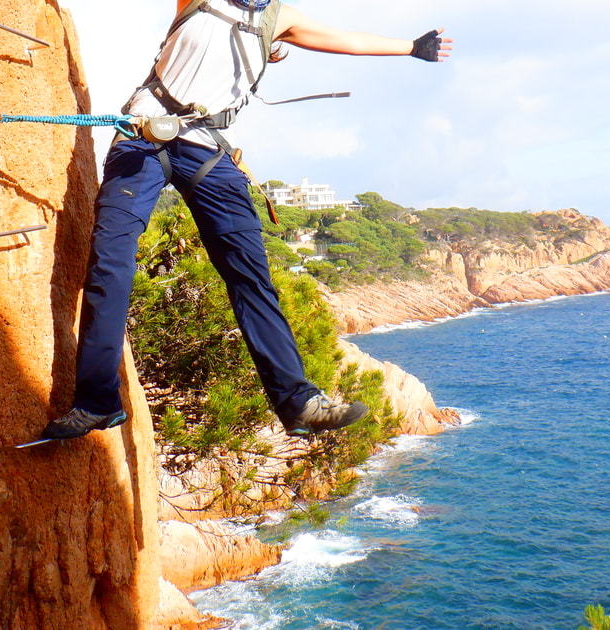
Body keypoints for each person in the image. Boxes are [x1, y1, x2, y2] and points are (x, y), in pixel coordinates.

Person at [41, 0, 452, 440]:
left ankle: (298, 402)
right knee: (111, 262)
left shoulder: (278, 19)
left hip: (210, 151)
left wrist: (411, 47)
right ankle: (97, 401)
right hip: (144, 138)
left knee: (250, 276)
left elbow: (345, 40)